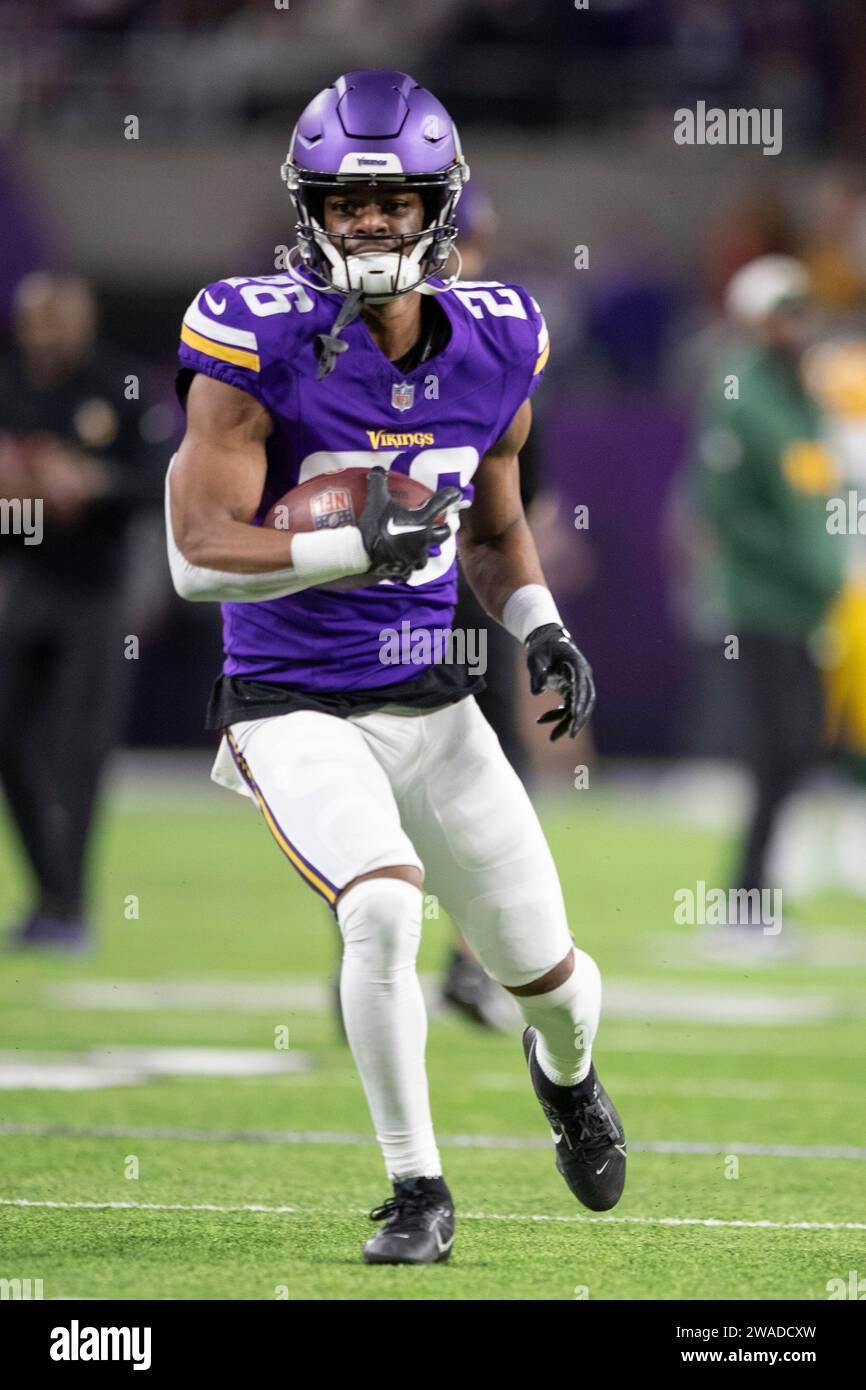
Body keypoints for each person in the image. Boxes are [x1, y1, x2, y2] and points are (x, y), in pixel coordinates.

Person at [166, 69, 626, 1266]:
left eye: (396, 198)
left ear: (441, 204)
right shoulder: (252, 334)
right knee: (377, 907)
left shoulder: (499, 339)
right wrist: (348, 537)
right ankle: (416, 1188)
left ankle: (565, 1080)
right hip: (293, 699)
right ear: (308, 207)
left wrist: (539, 627)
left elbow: (489, 526)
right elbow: (197, 557)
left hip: (434, 700)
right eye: (348, 198)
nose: (371, 220)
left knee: (556, 986)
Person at [0, 273, 165, 951]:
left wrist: (93, 482)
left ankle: (70, 907)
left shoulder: (122, 385)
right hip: (25, 583)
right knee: (11, 738)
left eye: (58, 318)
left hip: (96, 590)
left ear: (84, 319)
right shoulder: (8, 387)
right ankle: (49, 896)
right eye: (34, 318)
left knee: (78, 752)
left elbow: (160, 483)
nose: (46, 331)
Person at [695, 256, 848, 928]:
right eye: (785, 312)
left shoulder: (802, 397)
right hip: (758, 606)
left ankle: (758, 899)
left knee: (799, 749)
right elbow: (724, 513)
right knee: (773, 752)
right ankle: (745, 902)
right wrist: (804, 564)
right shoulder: (740, 395)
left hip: (808, 605)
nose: (798, 325)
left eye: (802, 310)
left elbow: (817, 496)